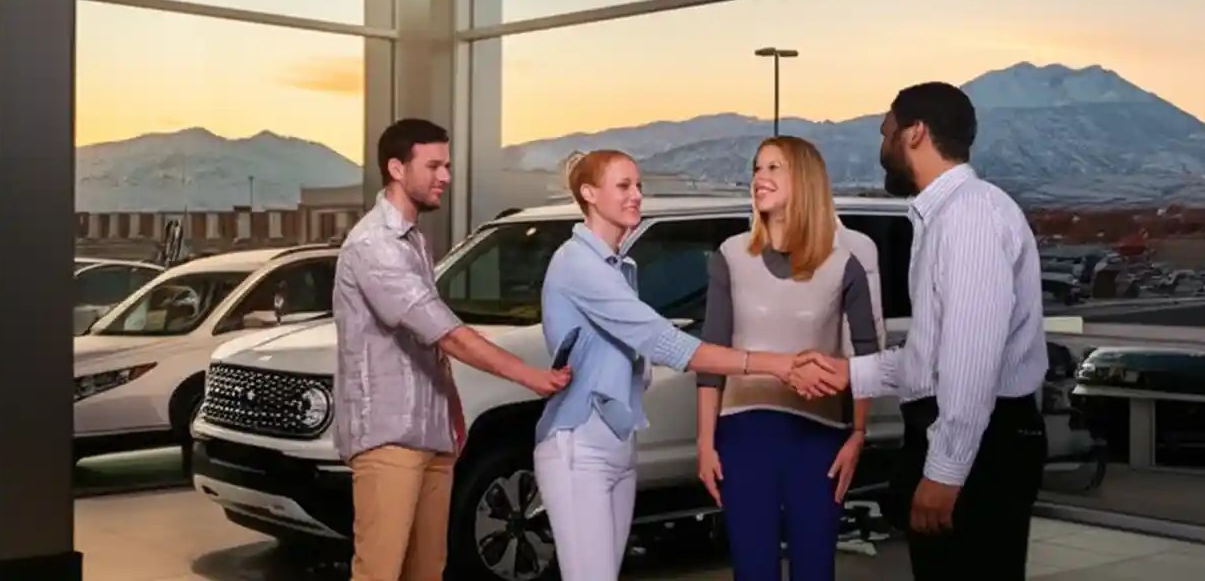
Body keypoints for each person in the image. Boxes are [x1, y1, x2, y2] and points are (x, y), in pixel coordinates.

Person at [533, 149, 833, 581]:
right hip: (579, 445)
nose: (637, 195)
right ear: (589, 194)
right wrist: (778, 365)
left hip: (616, 443)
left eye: (639, 185)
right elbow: (663, 342)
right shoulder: (577, 263)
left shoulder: (620, 266)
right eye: (624, 186)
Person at [802, 83, 1049, 581]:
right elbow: (935, 354)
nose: (882, 147)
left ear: (915, 133)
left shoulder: (970, 216)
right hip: (973, 436)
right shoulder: (945, 216)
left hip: (983, 445)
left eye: (886, 133)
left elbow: (971, 361)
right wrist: (849, 372)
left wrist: (946, 470)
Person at [333, 118, 572, 581]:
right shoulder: (374, 246)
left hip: (431, 434)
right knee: (379, 572)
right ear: (397, 169)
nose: (445, 176)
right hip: (389, 438)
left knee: (428, 571)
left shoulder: (414, 242)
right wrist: (532, 376)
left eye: (447, 165)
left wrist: (452, 409)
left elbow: (425, 348)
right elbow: (447, 333)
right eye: (434, 165)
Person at [695, 136, 885, 581]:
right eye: (757, 168)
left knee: (815, 568)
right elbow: (710, 358)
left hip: (821, 439)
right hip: (742, 435)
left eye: (773, 168)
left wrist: (858, 434)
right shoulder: (730, 256)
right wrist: (705, 443)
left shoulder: (845, 265)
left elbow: (868, 356)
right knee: (753, 568)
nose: (760, 178)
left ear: (805, 179)